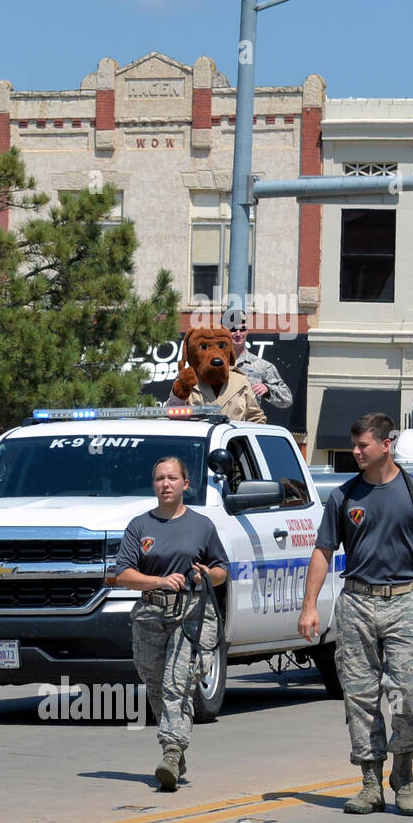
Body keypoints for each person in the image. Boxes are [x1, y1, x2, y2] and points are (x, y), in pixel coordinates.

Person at [299, 413, 413, 816]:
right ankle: (369, 782)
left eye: (363, 445)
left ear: (386, 445)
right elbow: (323, 551)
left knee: (410, 694)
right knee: (360, 696)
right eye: (354, 444)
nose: (356, 452)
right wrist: (310, 606)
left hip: (407, 600)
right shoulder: (344, 497)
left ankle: (403, 770)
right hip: (357, 602)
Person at [115, 457, 228, 791]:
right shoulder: (139, 526)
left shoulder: (202, 525)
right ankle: (176, 753)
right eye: (160, 478)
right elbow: (123, 575)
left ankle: (171, 749)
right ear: (154, 485)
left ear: (185, 484)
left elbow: (222, 570)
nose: (166, 484)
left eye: (172, 478)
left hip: (192, 613)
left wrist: (207, 574)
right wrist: (158, 581)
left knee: (177, 682)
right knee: (155, 686)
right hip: (151, 614)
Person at [230, 328, 293, 410]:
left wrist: (268, 390)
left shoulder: (262, 366)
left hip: (248, 421)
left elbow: (287, 399)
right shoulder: (212, 364)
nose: (238, 334)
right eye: (233, 330)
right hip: (218, 421)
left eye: (242, 330)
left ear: (247, 332)